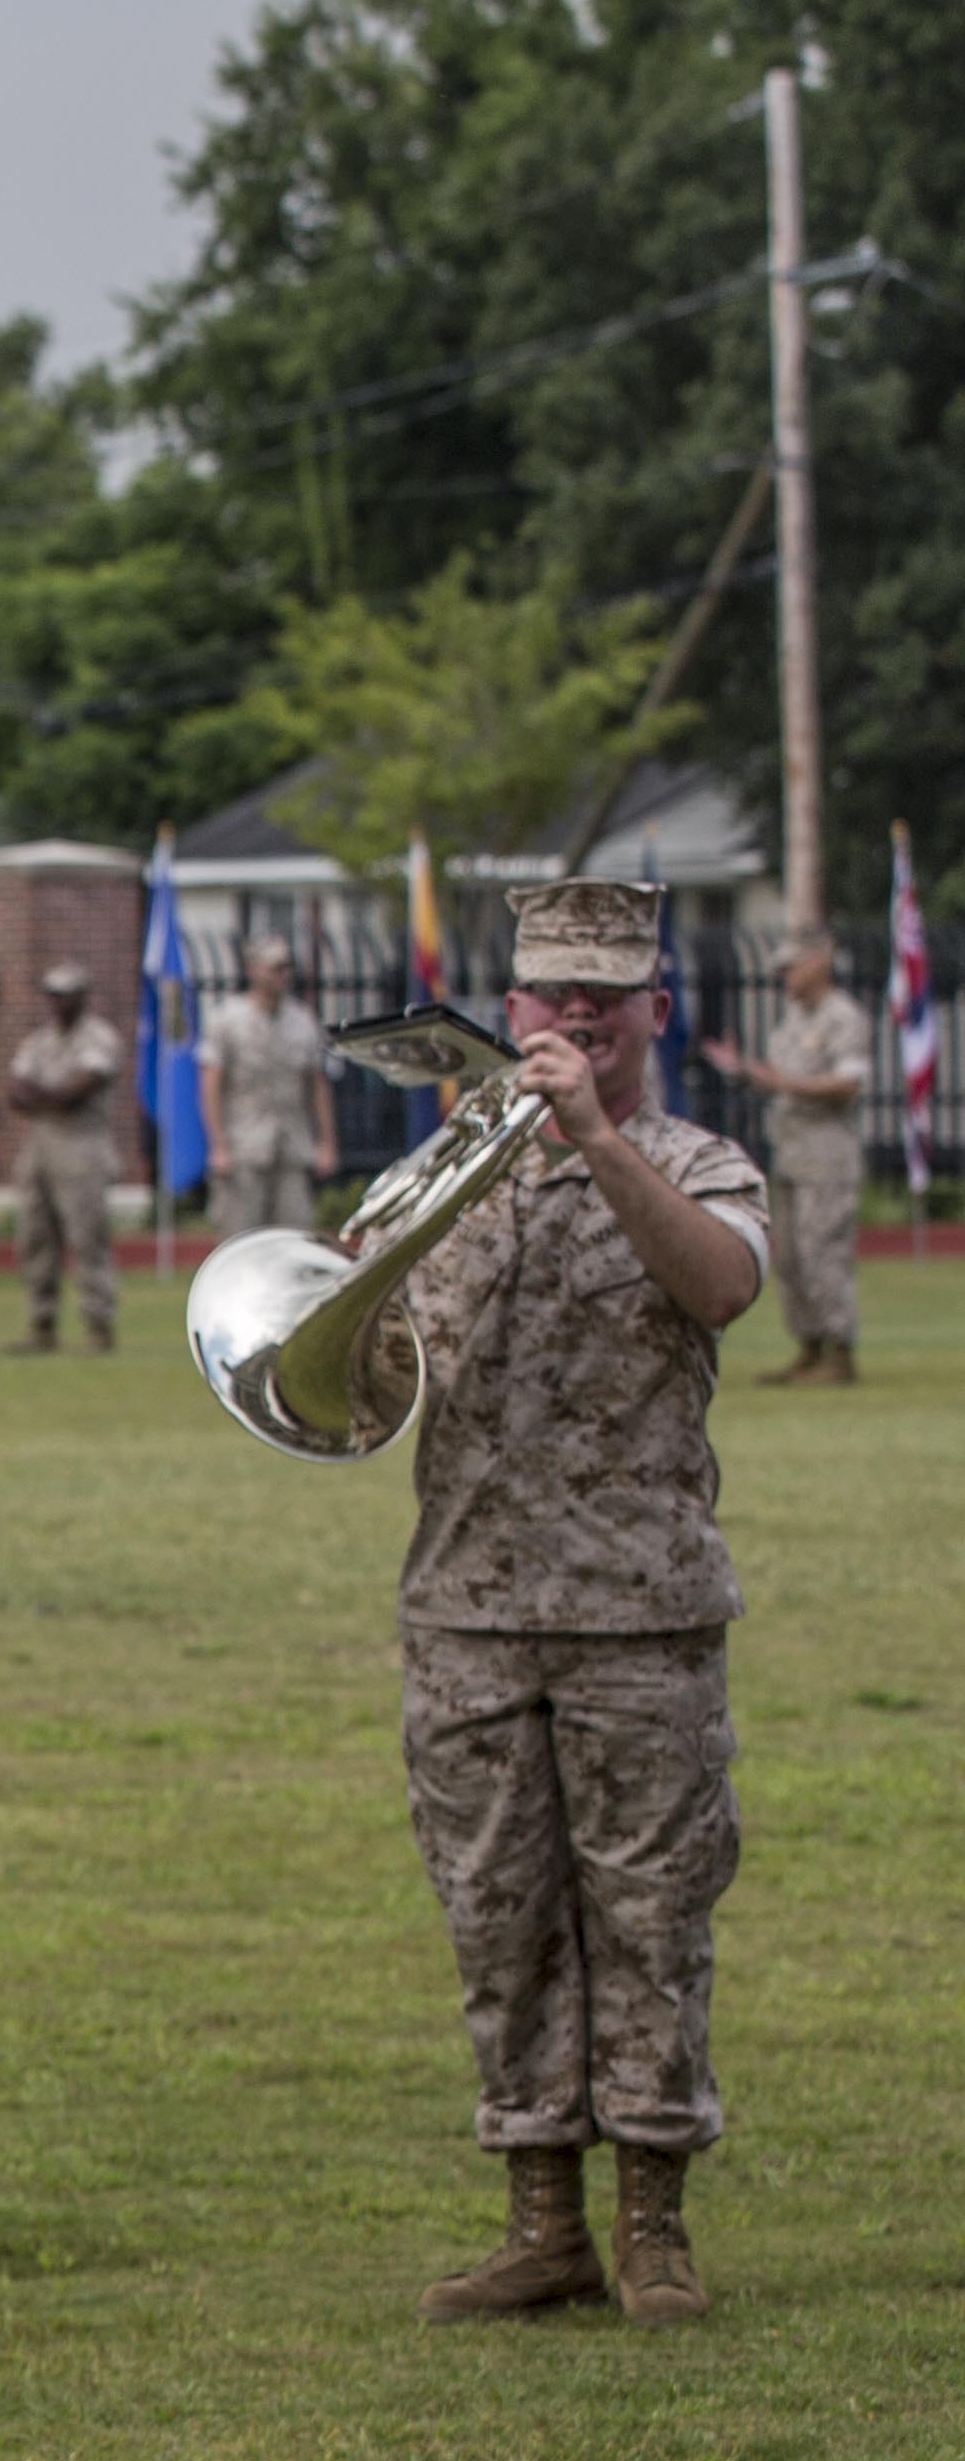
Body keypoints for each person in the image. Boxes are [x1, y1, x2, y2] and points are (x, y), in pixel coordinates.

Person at [399, 879, 769, 2329]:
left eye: (605, 1001)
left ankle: (657, 2224)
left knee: (651, 1916)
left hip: (641, 1610)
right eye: (553, 997)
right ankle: (541, 2219)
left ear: (652, 1017)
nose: (576, 1020)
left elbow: (725, 1288)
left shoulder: (697, 1160)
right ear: (511, 1013)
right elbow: (375, 1365)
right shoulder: (447, 1171)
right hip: (470, 1609)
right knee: (499, 1921)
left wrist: (598, 1140)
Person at [711, 933, 870, 1386]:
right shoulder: (793, 1019)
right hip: (791, 1154)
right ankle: (810, 1346)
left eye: (792, 966)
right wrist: (744, 1070)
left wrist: (780, 1082)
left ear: (820, 963)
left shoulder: (844, 1017)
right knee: (793, 1258)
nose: (784, 976)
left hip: (828, 1156)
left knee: (824, 1253)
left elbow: (847, 1085)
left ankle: (840, 1354)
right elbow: (779, 1078)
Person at [3, 963, 127, 1353]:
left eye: (67, 994)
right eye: (53, 994)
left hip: (83, 1146)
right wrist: (50, 1099)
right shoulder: (38, 1041)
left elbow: (80, 1090)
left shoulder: (99, 1038)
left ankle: (98, 1323)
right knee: (36, 1236)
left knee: (87, 1236)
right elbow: (15, 1090)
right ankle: (42, 1323)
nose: (59, 1002)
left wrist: (44, 1098)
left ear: (83, 995)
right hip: (40, 1145)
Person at [200, 934, 338, 1252]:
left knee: (295, 1238)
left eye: (286, 967)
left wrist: (327, 1142)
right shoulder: (227, 1019)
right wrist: (218, 1145)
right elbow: (211, 1084)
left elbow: (316, 1084)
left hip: (291, 1142)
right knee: (239, 1243)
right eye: (275, 968)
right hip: (244, 1144)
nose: (283, 975)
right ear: (253, 970)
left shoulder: (302, 1020)